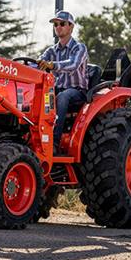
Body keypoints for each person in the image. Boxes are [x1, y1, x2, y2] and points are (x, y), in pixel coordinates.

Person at [38, 10, 89, 154]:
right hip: (57, 90)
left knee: (62, 97)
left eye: (62, 24)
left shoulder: (79, 48)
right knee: (39, 96)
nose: (58, 27)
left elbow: (72, 64)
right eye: (55, 24)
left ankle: (53, 142)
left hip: (77, 92)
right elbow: (39, 63)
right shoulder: (51, 51)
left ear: (71, 27)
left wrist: (52, 65)